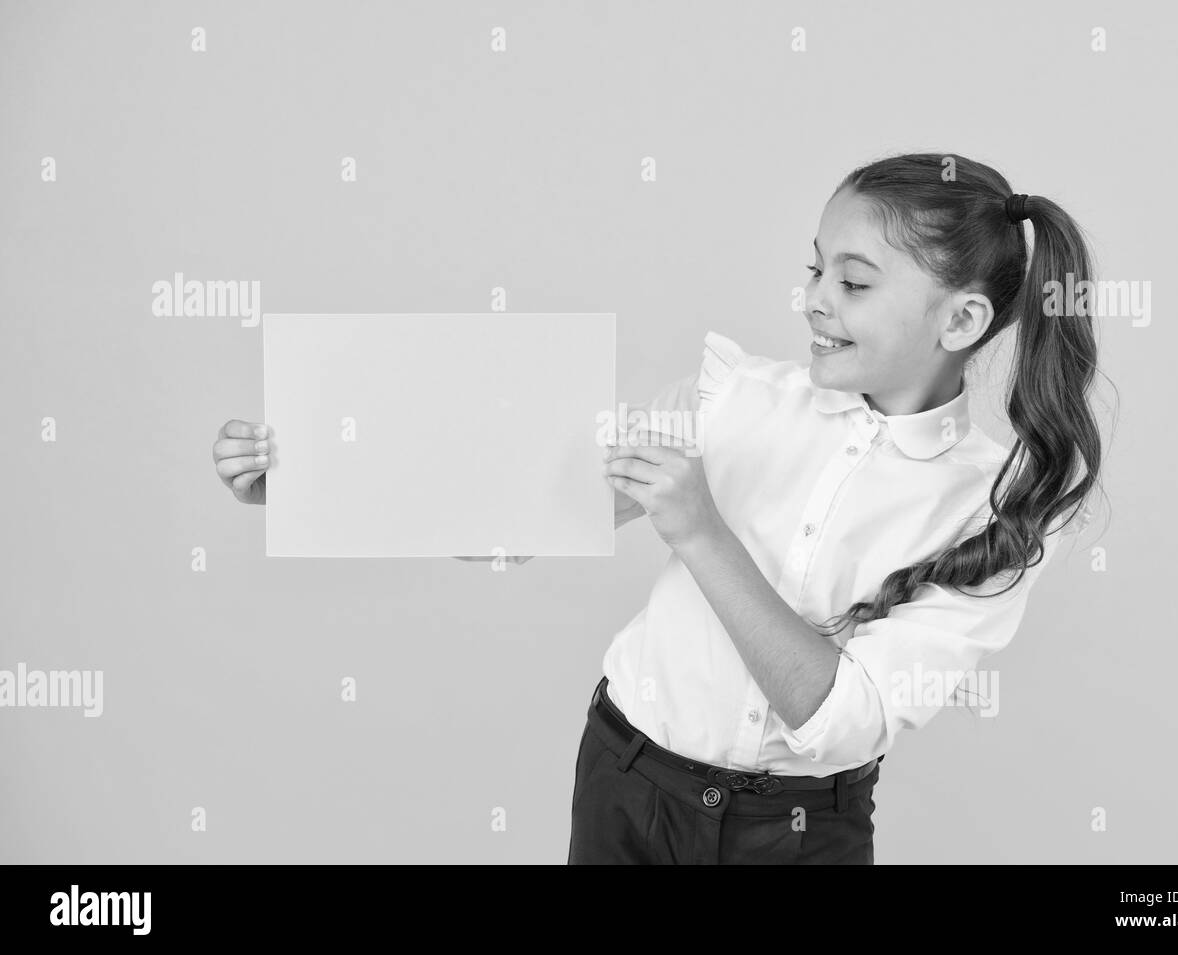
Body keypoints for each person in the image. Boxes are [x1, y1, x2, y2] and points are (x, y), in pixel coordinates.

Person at [214, 151, 1103, 865]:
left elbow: (843, 718)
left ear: (960, 321)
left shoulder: (998, 510)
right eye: (815, 269)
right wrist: (316, 481)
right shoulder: (732, 397)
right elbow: (517, 522)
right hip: (627, 787)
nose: (813, 299)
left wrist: (702, 531)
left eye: (855, 283)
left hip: (798, 834)